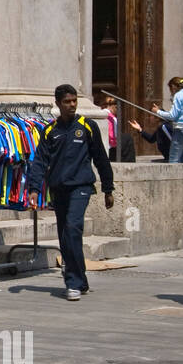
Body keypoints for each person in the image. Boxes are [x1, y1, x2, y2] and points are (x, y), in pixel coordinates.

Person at [26, 84, 115, 300]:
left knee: (74, 228)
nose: (72, 105)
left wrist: (108, 188)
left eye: (74, 101)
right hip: (58, 189)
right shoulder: (49, 131)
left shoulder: (87, 126)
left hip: (81, 187)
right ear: (58, 104)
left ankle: (73, 282)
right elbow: (39, 161)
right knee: (65, 237)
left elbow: (101, 158)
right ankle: (80, 280)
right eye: (67, 102)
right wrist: (34, 189)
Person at [150, 77, 183, 163]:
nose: (171, 92)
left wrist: (157, 111)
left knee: (174, 159)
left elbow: (173, 115)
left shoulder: (179, 95)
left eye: (170, 89)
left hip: (181, 129)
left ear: (173, 87)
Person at [98, 95, 119, 162]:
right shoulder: (112, 118)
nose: (117, 110)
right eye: (116, 108)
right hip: (110, 147)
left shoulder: (99, 113)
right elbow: (113, 135)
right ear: (112, 106)